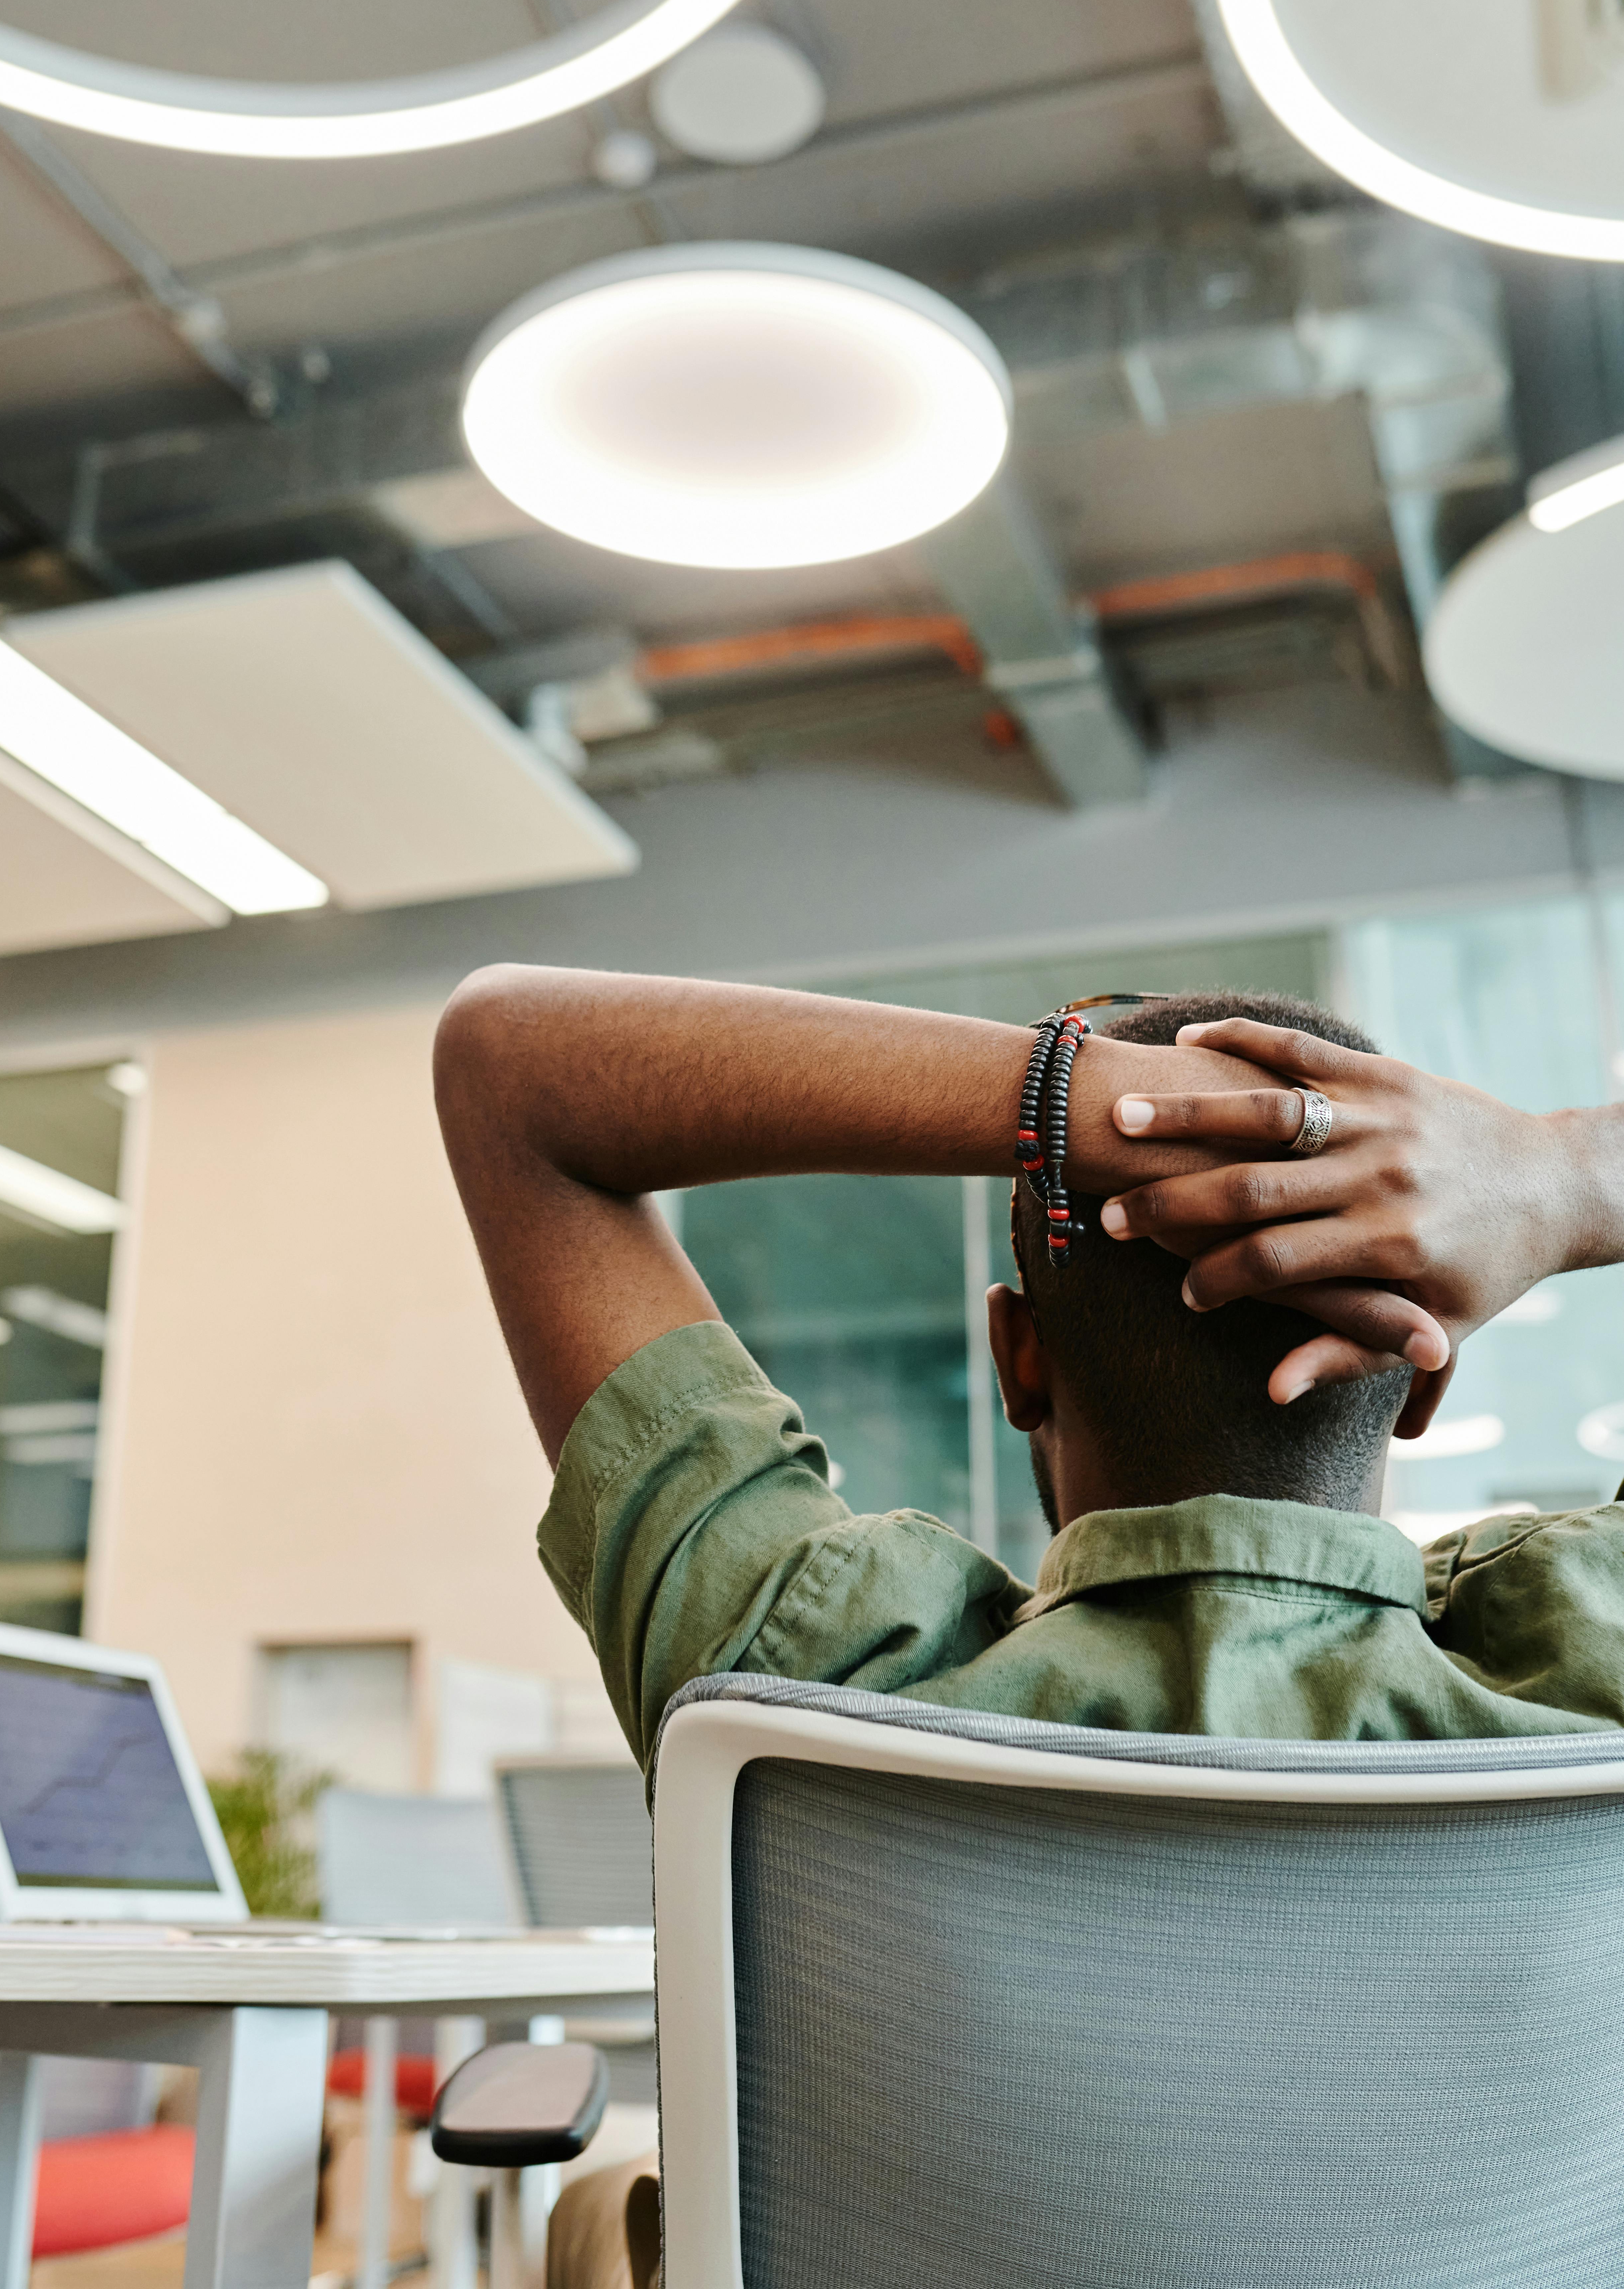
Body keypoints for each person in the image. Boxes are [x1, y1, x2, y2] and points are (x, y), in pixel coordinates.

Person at [434, 966, 1624, 2285]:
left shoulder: (809, 1660)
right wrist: (1566, 1170)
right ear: (1422, 1376)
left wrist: (1085, 1102)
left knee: (600, 2208)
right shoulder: (1595, 1657)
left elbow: (509, 1066)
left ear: (1015, 1356)